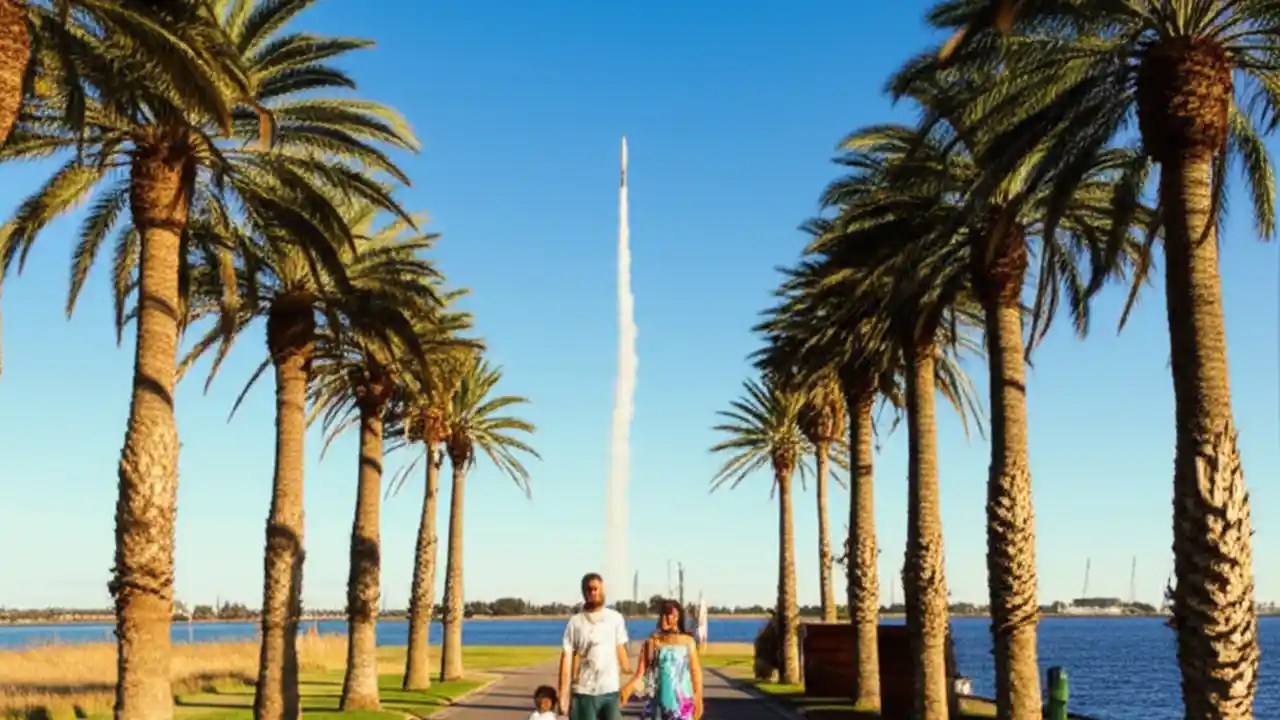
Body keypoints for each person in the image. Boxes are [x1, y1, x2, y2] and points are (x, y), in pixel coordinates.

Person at [559, 573, 631, 720]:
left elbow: (621, 653)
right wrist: (563, 695)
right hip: (583, 692)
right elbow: (566, 659)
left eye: (596, 588)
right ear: (584, 592)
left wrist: (629, 686)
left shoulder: (615, 618)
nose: (593, 592)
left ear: (602, 588)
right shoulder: (575, 622)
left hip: (610, 691)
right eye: (589, 589)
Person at [620, 599, 704, 720]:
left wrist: (698, 697)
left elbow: (695, 673)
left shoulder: (688, 642)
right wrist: (627, 691)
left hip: (682, 708)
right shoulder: (651, 643)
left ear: (677, 618)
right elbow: (644, 678)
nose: (664, 617)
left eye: (668, 614)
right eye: (662, 614)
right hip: (657, 708)